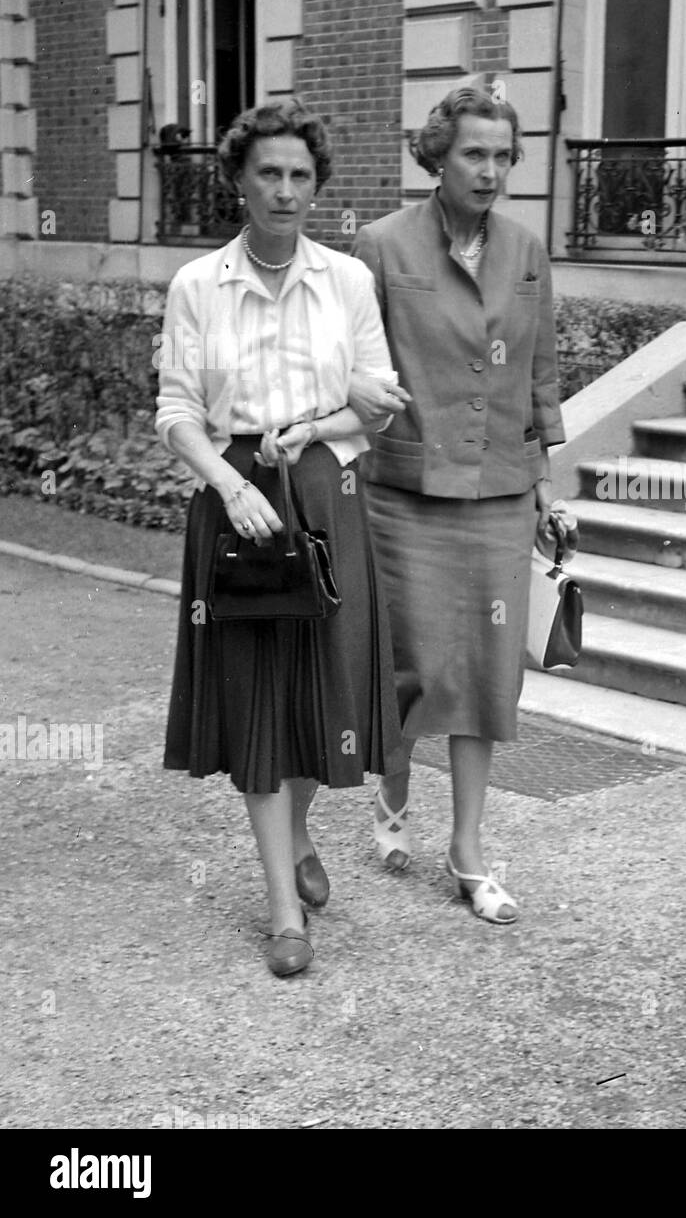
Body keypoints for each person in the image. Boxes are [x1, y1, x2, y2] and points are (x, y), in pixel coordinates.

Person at [156, 98, 406, 976]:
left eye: (301, 175)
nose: (286, 191)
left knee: (327, 696)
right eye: (269, 173)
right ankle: (280, 907)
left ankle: (297, 827)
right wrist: (226, 484)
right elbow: (177, 411)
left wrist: (316, 426)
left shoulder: (346, 280)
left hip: (324, 491)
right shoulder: (198, 286)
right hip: (236, 503)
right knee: (259, 699)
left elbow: (376, 397)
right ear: (237, 181)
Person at [349, 85, 565, 924]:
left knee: (485, 672)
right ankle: (390, 793)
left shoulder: (527, 249)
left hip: (502, 492)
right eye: (475, 153)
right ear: (437, 154)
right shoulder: (381, 246)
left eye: (505, 155)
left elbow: (539, 370)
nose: (491, 169)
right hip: (404, 491)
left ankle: (468, 849)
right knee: (415, 666)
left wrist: (545, 475)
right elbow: (355, 367)